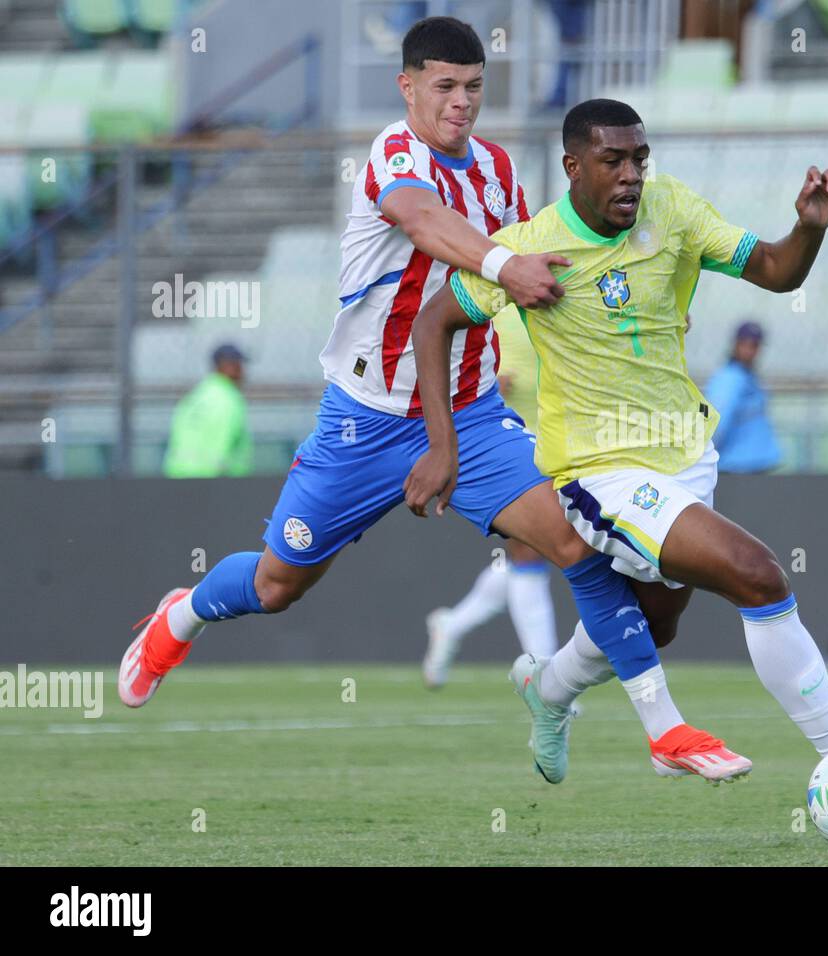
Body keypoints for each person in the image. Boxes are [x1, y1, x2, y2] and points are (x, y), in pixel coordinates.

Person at [119, 19, 744, 786]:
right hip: (364, 417)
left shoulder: (500, 173)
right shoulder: (394, 155)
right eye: (444, 86)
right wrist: (508, 262)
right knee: (275, 587)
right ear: (407, 85)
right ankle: (177, 618)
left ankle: (662, 727)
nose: (461, 102)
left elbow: (503, 291)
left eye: (474, 86)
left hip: (474, 413)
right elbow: (423, 222)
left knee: (576, 545)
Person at [404, 98, 828, 774]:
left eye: (639, 159)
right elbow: (433, 323)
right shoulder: (528, 250)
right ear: (574, 166)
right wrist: (442, 447)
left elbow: (777, 270)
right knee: (758, 576)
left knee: (652, 627)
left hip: (685, 456)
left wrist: (808, 230)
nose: (631, 175)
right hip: (600, 473)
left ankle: (549, 688)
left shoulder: (673, 211)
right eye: (613, 160)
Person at [421, 307, 557, 688]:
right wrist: (488, 385)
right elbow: (442, 346)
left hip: (563, 438)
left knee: (530, 557)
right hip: (507, 443)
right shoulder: (486, 298)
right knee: (529, 553)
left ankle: (452, 624)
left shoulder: (558, 290)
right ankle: (544, 674)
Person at [161, 344, 253, 478]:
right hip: (209, 481)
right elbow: (223, 443)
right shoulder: (228, 398)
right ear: (227, 366)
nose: (243, 372)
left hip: (176, 476)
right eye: (239, 365)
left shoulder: (195, 395)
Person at [703, 320, 782, 473]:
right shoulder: (730, 378)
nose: (750, 351)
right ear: (736, 344)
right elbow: (717, 419)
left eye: (755, 345)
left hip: (753, 466)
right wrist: (705, 458)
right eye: (745, 344)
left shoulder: (747, 376)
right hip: (736, 468)